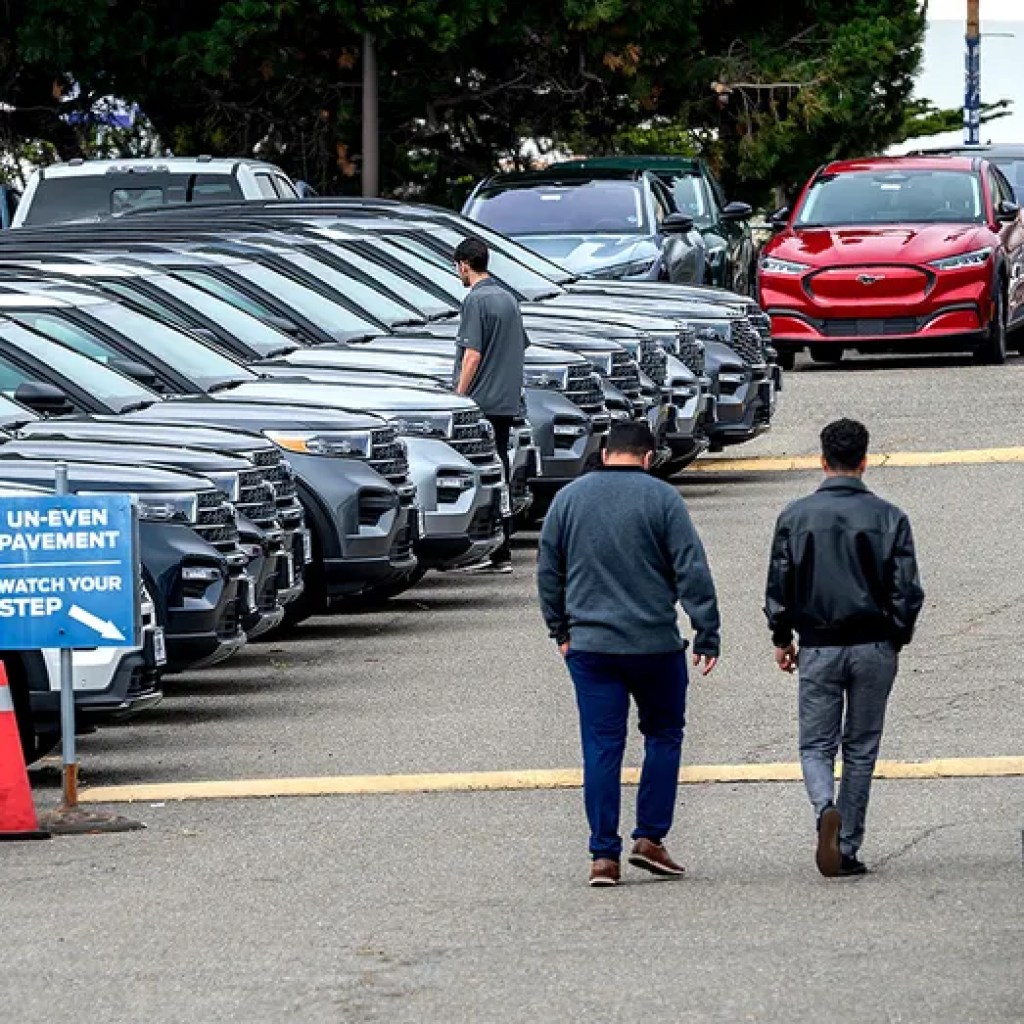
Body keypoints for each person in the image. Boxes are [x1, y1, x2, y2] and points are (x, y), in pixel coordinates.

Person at [537, 421, 721, 888]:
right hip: (654, 645)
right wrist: (706, 631)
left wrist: (560, 629)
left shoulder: (568, 500)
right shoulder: (663, 499)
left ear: (604, 454)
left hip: (591, 647)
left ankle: (603, 856)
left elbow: (549, 571)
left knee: (602, 746)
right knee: (663, 734)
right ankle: (650, 838)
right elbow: (691, 568)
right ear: (648, 456)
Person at [765, 418, 924, 878]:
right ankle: (848, 843)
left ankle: (824, 809)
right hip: (873, 642)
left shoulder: (795, 516)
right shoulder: (889, 517)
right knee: (861, 746)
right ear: (864, 461)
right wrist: (896, 635)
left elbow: (779, 585)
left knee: (816, 744)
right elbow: (907, 590)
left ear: (822, 461)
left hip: (819, 644)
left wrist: (783, 636)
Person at [452, 237, 529, 573]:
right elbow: (520, 345)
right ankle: (503, 547)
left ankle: (492, 546)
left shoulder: (475, 301)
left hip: (481, 400)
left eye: (457, 267)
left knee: (481, 473)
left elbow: (472, 355)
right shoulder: (508, 298)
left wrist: (458, 396)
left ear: (464, 265)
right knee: (501, 469)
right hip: (506, 400)